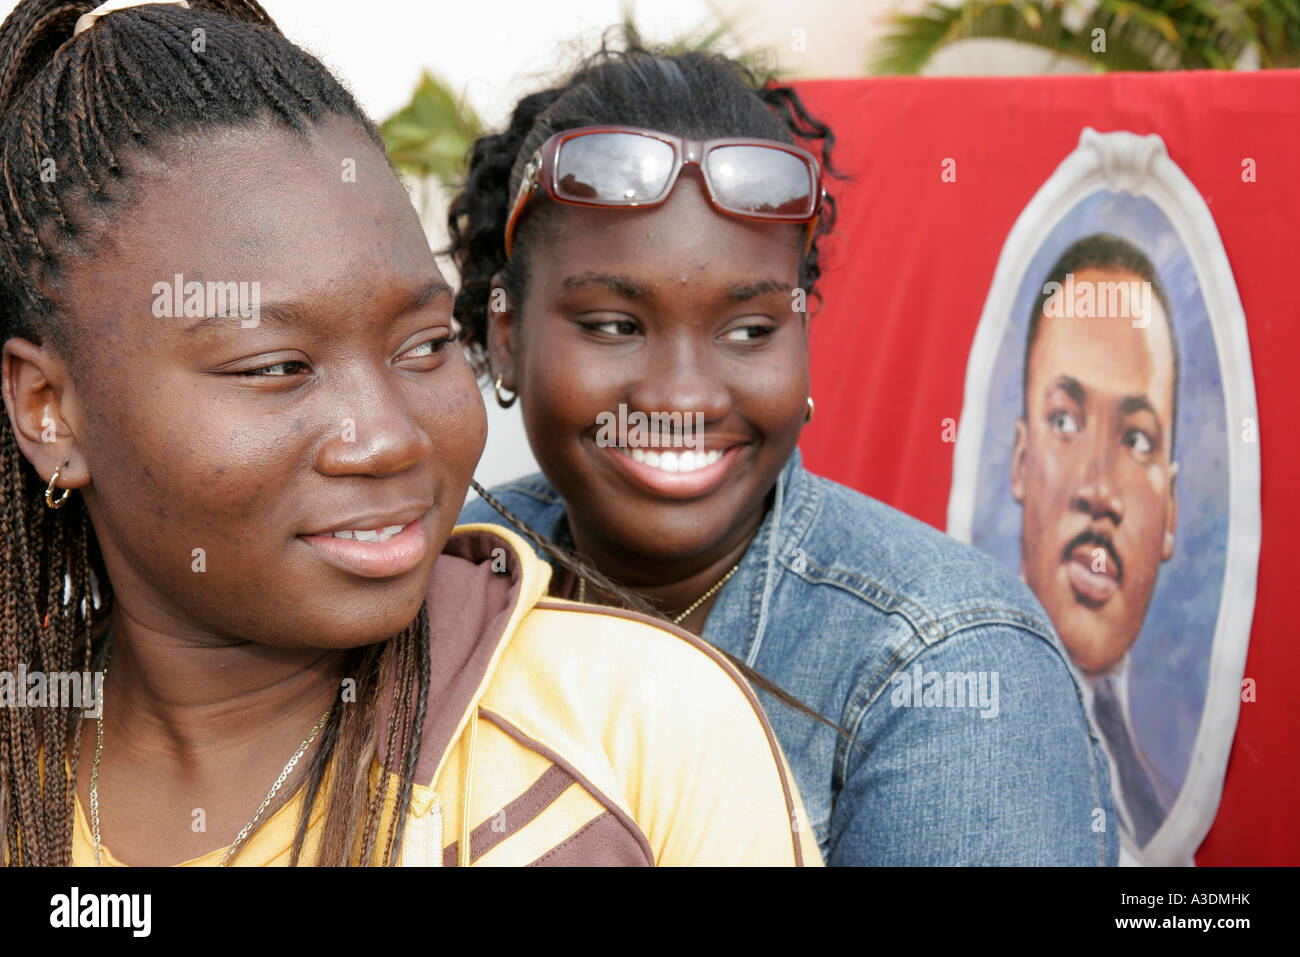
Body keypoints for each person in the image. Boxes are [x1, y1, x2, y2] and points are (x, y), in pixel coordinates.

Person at [0, 0, 821, 867]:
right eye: (277, 366)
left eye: (424, 346)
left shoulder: (641, 731)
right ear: (51, 409)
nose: (390, 440)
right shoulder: (27, 783)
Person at [452, 44, 1118, 865]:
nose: (682, 398)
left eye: (747, 331)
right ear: (507, 336)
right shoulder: (455, 566)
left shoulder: (949, 663)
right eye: (615, 326)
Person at [1011, 233, 1181, 847]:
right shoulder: (960, 740)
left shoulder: (1156, 793)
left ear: (1171, 510)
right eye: (1065, 421)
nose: (1099, 489)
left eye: (1136, 439)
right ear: (1021, 462)